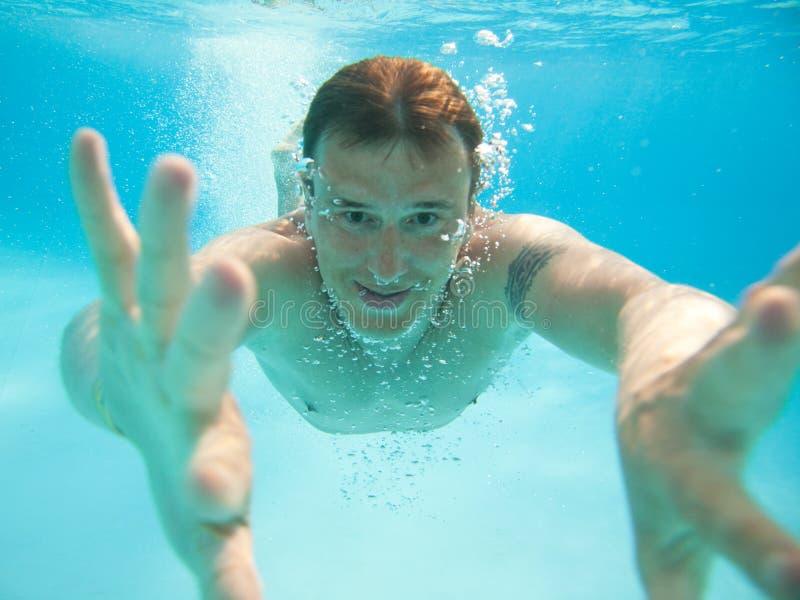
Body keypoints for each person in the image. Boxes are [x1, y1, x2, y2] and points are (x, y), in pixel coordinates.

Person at [60, 56, 799, 599]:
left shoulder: (501, 261)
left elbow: (647, 304)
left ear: (474, 206)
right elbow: (115, 332)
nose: (387, 265)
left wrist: (677, 359)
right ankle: (304, 175)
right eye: (353, 214)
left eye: (426, 218)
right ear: (316, 199)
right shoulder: (269, 270)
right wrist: (114, 381)